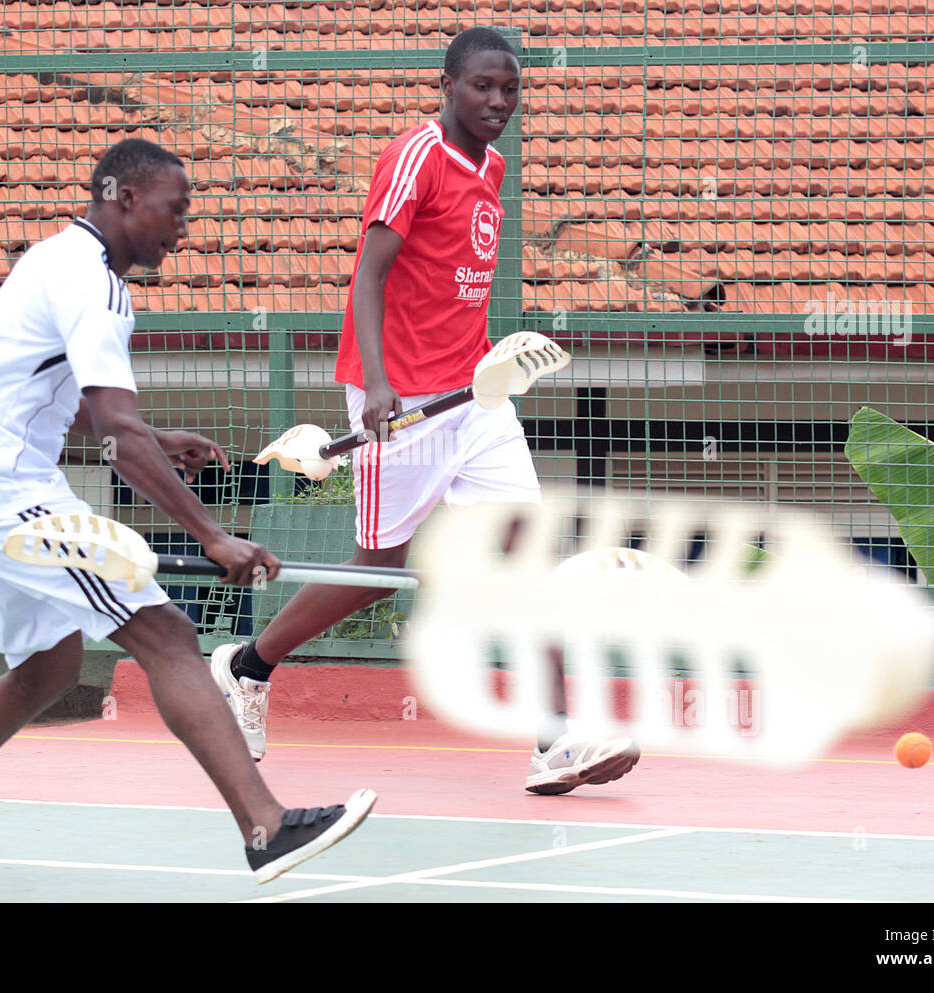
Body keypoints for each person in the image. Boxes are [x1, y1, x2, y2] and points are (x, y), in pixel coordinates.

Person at [0, 138, 375, 884]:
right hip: (7, 493)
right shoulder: (91, 280)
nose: (184, 227)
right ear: (122, 195)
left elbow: (74, 402)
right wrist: (215, 535)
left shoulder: (64, 262)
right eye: (176, 207)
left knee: (48, 664)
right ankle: (265, 825)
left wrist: (153, 434)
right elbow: (118, 439)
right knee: (166, 632)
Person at [212, 29, 640, 795]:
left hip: (476, 397)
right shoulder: (416, 157)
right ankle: (248, 665)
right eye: (482, 86)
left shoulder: (493, 165)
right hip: (399, 400)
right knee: (380, 572)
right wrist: (377, 384)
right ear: (447, 85)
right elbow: (369, 274)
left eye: (509, 89)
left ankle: (553, 739)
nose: (498, 101)